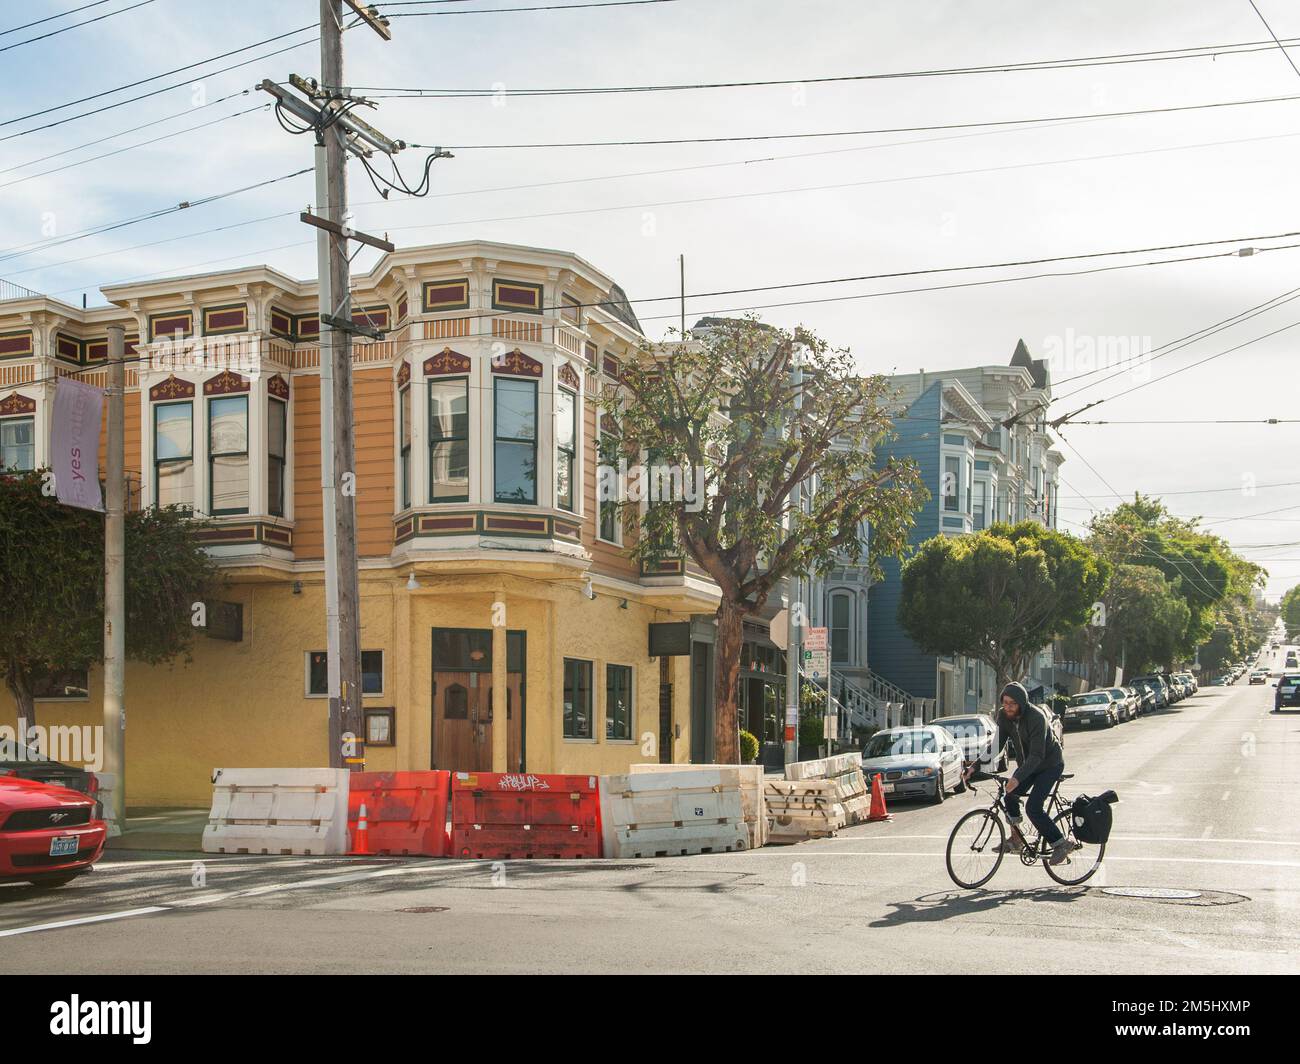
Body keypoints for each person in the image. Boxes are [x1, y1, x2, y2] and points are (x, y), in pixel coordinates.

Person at [994, 681, 1072, 865]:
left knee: (1033, 807)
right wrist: (974, 766)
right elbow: (996, 745)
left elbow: (1037, 755)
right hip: (1028, 765)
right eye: (1005, 703)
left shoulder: (1036, 717)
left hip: (1049, 765)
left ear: (1021, 703)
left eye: (1012, 703)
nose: (1008, 707)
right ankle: (1016, 839)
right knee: (1009, 794)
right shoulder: (1004, 716)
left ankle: (1061, 843)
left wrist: (1017, 778)